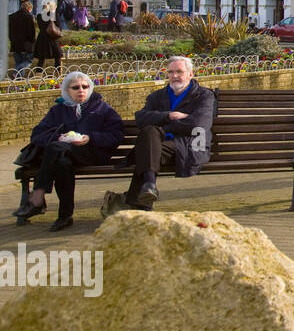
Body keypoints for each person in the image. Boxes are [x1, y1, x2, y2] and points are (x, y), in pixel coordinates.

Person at [100, 56, 216, 214]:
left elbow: (198, 125)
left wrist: (163, 127)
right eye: (171, 72)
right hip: (159, 146)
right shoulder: (157, 96)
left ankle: (143, 197)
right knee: (149, 133)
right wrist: (169, 115)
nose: (174, 76)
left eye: (179, 72)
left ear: (190, 74)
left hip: (192, 144)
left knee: (147, 144)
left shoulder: (204, 95)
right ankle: (148, 189)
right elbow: (141, 118)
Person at [14, 72, 124, 231]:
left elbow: (116, 135)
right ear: (67, 90)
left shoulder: (102, 109)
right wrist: (59, 138)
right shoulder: (58, 111)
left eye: (85, 87)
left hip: (92, 154)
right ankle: (64, 216)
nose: (81, 90)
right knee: (61, 161)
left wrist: (90, 138)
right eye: (76, 87)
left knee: (56, 150)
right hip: (63, 156)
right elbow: (37, 135)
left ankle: (38, 195)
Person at [33, 0, 63, 72]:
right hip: (52, 37)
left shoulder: (39, 16)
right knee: (57, 56)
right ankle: (57, 73)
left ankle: (38, 75)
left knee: (41, 58)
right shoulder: (54, 15)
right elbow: (59, 26)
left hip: (42, 38)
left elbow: (40, 26)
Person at [8, 0, 37, 74]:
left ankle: (18, 81)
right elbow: (31, 32)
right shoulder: (29, 17)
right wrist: (33, 41)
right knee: (28, 61)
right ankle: (16, 73)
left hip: (15, 44)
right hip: (26, 45)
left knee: (18, 62)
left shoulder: (11, 16)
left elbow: (9, 31)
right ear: (29, 9)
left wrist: (11, 40)